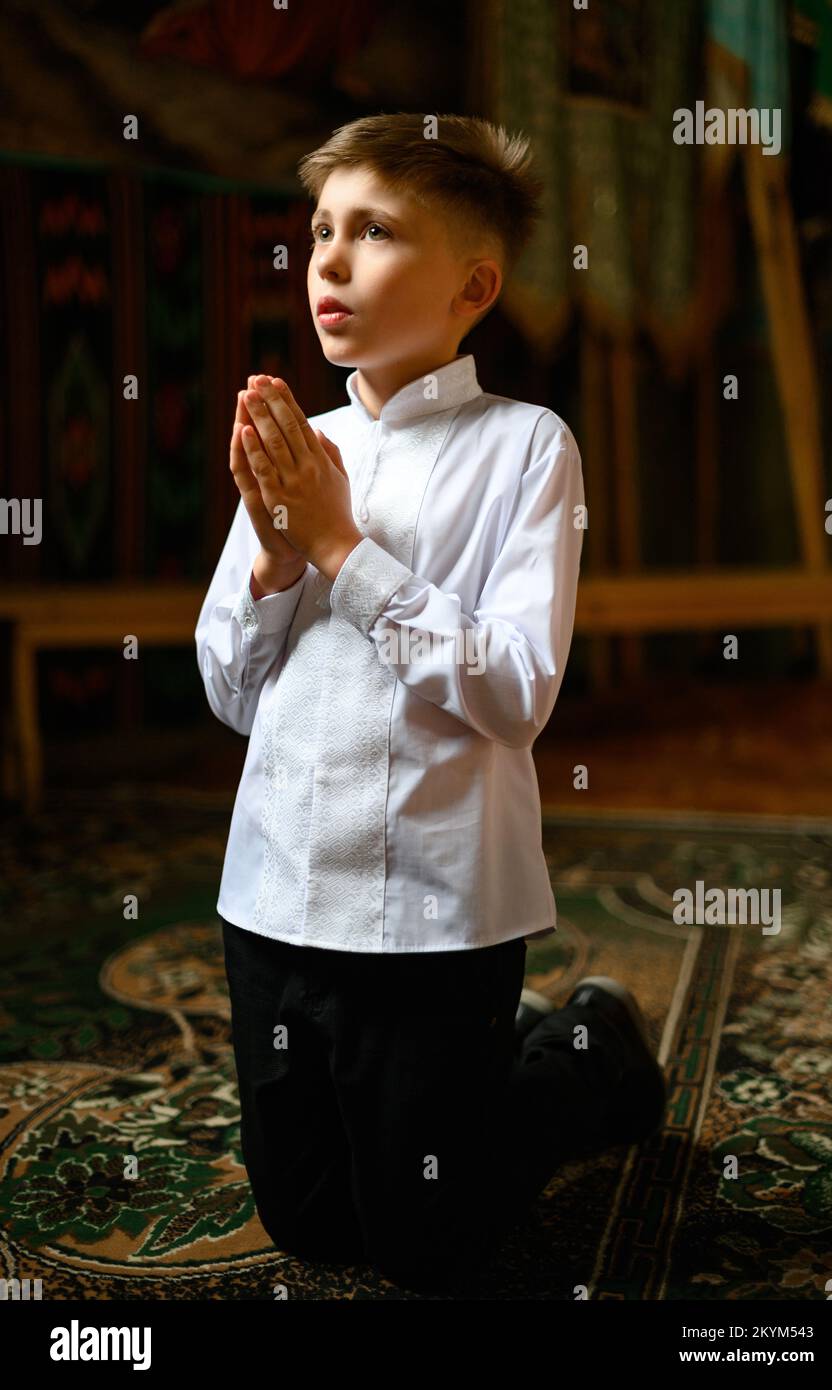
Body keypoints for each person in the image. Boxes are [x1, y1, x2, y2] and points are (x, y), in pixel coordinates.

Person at [195, 112, 666, 1296]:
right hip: (274, 905)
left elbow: (514, 692)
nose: (331, 262)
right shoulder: (298, 448)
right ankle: (487, 1066)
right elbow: (227, 693)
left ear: (474, 284)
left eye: (374, 231)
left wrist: (343, 547)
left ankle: (586, 1051)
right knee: (311, 1221)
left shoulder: (526, 449)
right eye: (319, 234)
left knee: (423, 1245)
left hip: (435, 925)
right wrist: (273, 562)